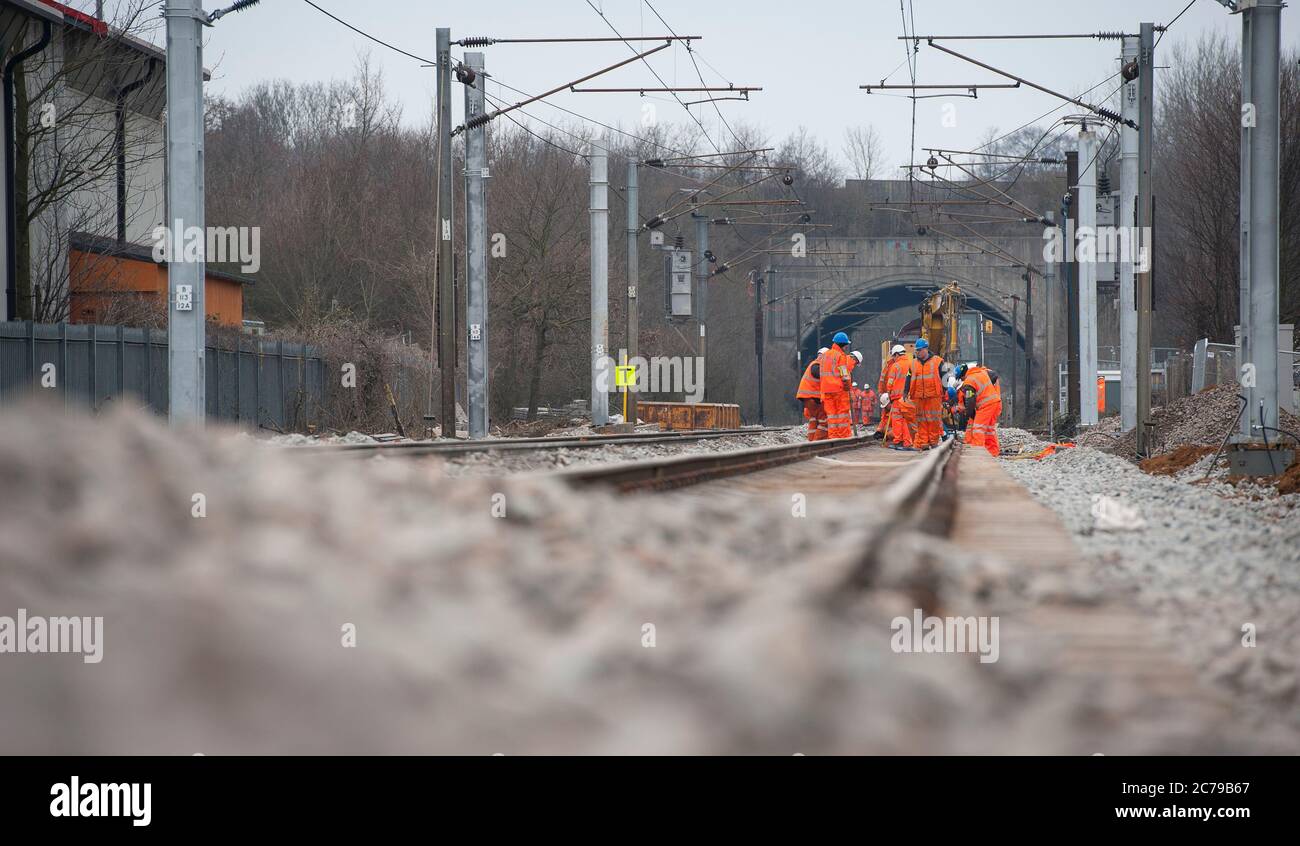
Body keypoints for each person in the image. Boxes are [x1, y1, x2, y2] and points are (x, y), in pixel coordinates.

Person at [903, 338, 946, 450]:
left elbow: (945, 378)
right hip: (918, 396)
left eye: (919, 350)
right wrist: (905, 391)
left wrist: (946, 392)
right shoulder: (913, 364)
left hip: (933, 396)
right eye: (916, 350)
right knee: (921, 420)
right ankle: (924, 443)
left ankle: (933, 442)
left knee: (933, 420)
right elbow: (908, 378)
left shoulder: (938, 361)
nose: (917, 352)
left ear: (926, 349)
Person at [956, 361, 1002, 456]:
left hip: (986, 406)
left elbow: (970, 401)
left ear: (962, 376)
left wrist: (970, 414)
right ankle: (993, 451)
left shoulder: (969, 382)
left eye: (960, 379)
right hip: (995, 403)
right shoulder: (979, 373)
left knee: (978, 429)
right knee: (989, 429)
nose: (961, 381)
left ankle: (978, 453)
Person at [818, 332, 855, 439]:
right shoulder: (840, 356)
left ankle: (833, 436)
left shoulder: (825, 355)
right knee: (842, 413)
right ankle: (843, 436)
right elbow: (844, 374)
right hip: (838, 389)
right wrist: (848, 386)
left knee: (831, 415)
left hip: (826, 390)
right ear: (843, 344)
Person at [880, 344, 914, 450]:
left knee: (897, 420)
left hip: (896, 398)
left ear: (896, 354)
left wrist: (889, 395)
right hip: (907, 398)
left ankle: (898, 441)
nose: (893, 359)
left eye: (893, 356)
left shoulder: (896, 366)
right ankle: (908, 442)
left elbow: (889, 383)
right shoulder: (911, 363)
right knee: (906, 420)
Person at [795, 349, 829, 441]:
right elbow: (819, 374)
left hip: (807, 398)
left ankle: (811, 441)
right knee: (824, 420)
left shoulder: (814, 364)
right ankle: (817, 442)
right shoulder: (817, 365)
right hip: (812, 398)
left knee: (813, 420)